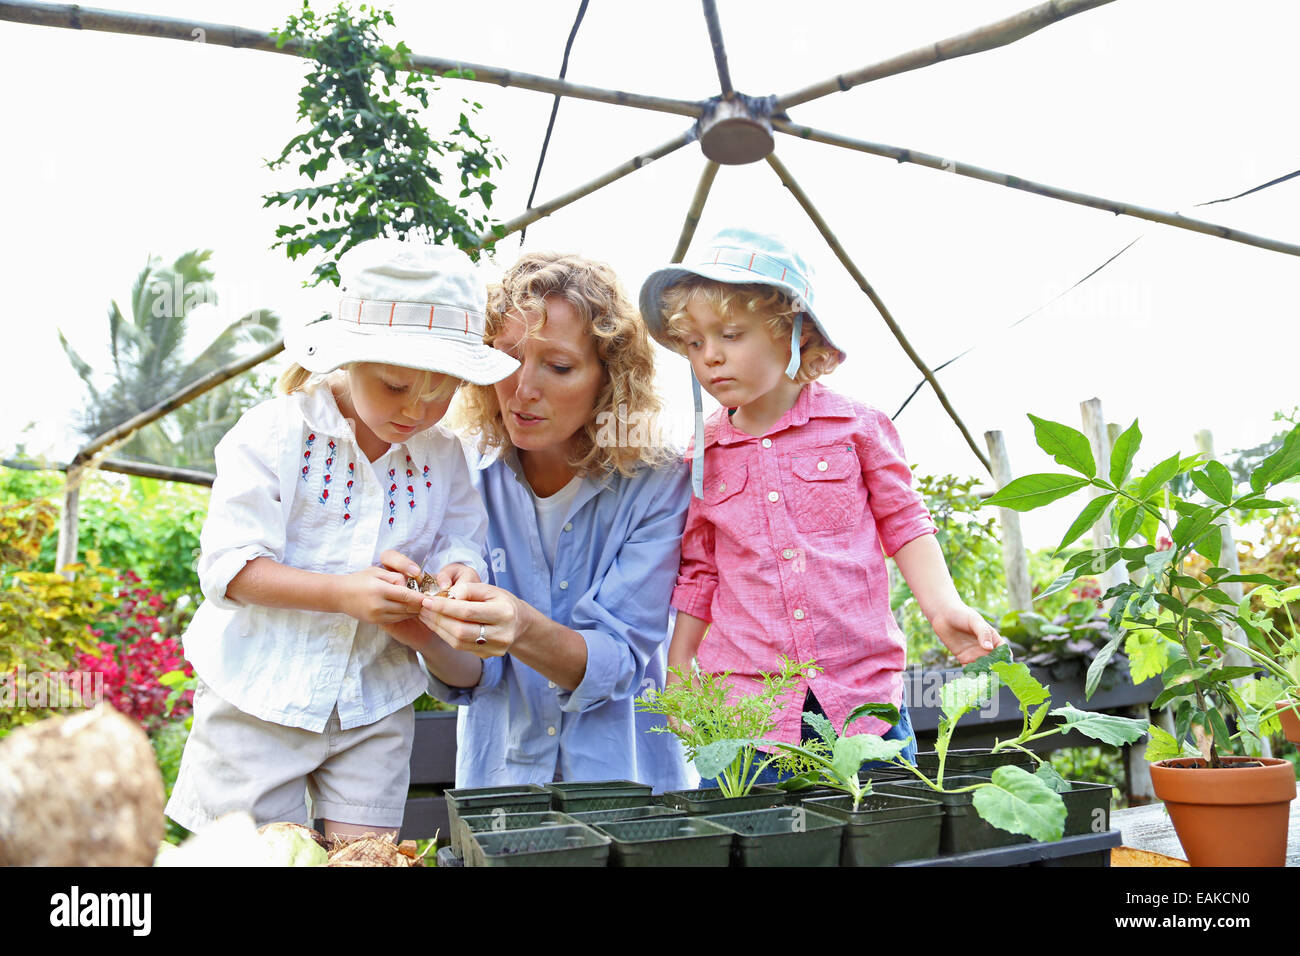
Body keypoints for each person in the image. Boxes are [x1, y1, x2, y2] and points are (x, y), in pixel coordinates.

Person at [165, 238, 519, 841]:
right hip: (260, 699)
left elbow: (460, 543)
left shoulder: (444, 455)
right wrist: (343, 593)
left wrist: (461, 574)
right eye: (394, 386)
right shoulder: (276, 434)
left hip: (374, 701)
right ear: (348, 360)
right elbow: (230, 568)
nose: (415, 410)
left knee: (368, 856)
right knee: (255, 856)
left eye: (441, 394)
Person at [637, 227, 1004, 778]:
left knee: (881, 833)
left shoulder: (856, 426)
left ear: (795, 333)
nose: (710, 357)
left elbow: (903, 521)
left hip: (862, 701)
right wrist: (681, 661)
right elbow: (701, 566)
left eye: (731, 334)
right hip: (747, 709)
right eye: (694, 344)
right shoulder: (703, 450)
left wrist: (943, 607)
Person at [382, 252, 693, 792]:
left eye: (559, 366)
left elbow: (619, 662)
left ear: (610, 380)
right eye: (507, 358)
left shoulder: (658, 482)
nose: (523, 389)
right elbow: (474, 678)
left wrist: (519, 627)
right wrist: (426, 629)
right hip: (500, 794)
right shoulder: (461, 476)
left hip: (631, 796)